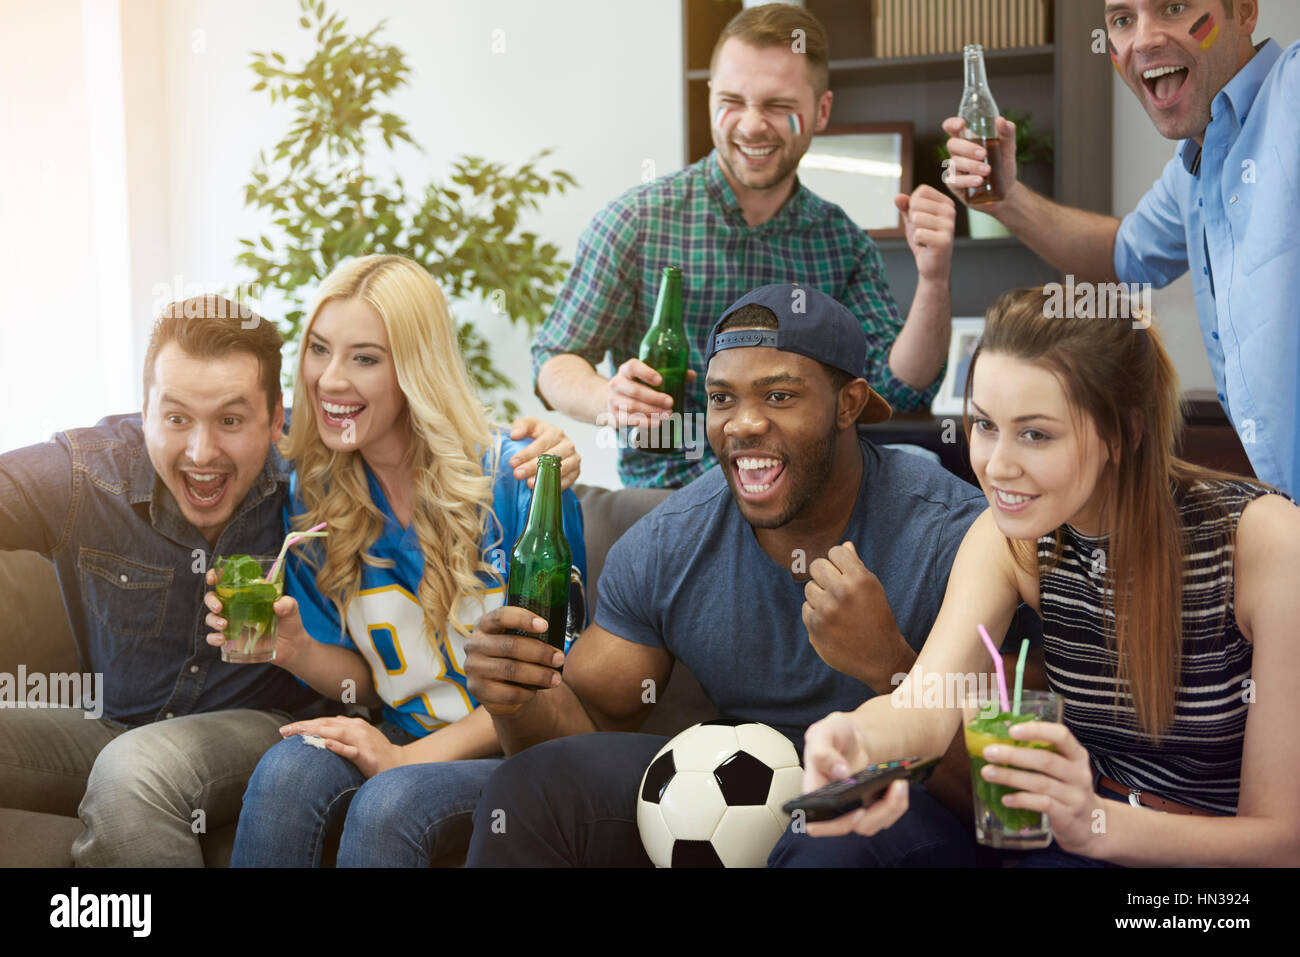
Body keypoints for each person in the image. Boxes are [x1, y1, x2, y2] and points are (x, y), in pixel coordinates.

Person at [461, 284, 1005, 867]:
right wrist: (516, 699)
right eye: (722, 398)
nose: (743, 424)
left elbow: (1007, 798)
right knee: (535, 786)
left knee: (829, 844)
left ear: (848, 405)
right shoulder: (668, 542)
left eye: (779, 395)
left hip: (899, 809)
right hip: (732, 791)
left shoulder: (959, 535)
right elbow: (585, 729)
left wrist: (887, 664)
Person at [790, 286, 1300, 867]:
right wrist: (855, 740)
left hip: (1203, 868)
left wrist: (1097, 826)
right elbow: (925, 706)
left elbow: (1283, 841)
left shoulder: (1267, 543)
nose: (997, 465)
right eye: (986, 425)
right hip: (1073, 836)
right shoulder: (1011, 539)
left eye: (1035, 434)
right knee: (832, 848)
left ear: (1123, 433)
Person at [206, 255, 587, 867]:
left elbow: (552, 679)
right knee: (287, 769)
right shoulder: (315, 497)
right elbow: (366, 679)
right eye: (319, 349)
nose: (330, 379)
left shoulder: (518, 478)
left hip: (518, 748)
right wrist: (295, 648)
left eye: (365, 358)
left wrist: (406, 759)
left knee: (390, 802)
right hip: (404, 732)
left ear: (415, 368)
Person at [533, 2, 957, 489]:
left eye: (778, 105)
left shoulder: (842, 241)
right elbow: (555, 359)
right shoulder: (636, 221)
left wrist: (934, 277)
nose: (752, 125)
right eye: (732, 100)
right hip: (677, 493)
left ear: (821, 111)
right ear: (710, 96)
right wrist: (610, 399)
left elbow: (900, 390)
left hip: (803, 493)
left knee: (922, 468)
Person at [0, 296, 328, 866]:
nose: (201, 452)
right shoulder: (85, 474)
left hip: (270, 732)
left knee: (134, 772)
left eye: (230, 420)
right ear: (145, 411)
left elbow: (436, 450)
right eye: (176, 418)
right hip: (113, 728)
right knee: (130, 760)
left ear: (277, 419)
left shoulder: (322, 469)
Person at [941, 0, 1299, 496]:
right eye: (1122, 20)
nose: (1143, 40)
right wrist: (1007, 198)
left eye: (1173, 7)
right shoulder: (1192, 169)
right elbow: (1124, 257)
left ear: (1243, 11)